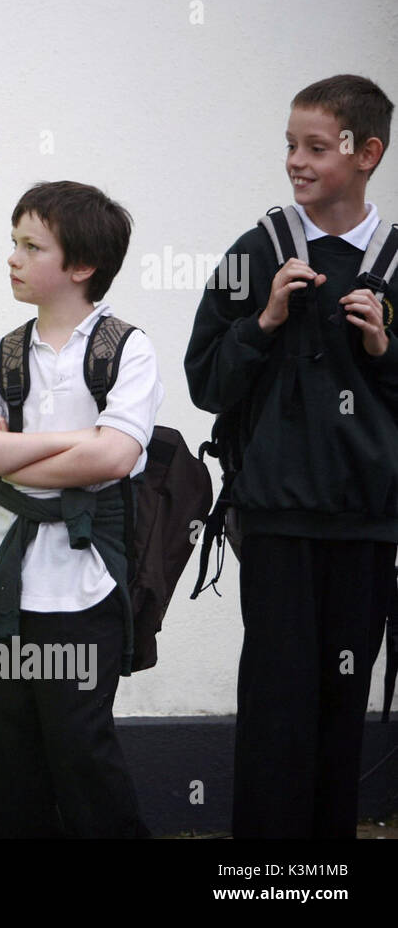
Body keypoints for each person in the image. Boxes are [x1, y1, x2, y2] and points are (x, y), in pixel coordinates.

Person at [185, 74, 395, 838]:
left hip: (369, 528)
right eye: (289, 146)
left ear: (366, 152)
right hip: (274, 524)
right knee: (276, 708)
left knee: (344, 710)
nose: (296, 162)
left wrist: (383, 349)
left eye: (316, 147)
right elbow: (205, 381)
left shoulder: (395, 264)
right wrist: (265, 319)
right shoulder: (259, 252)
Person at [0, 181, 161, 838]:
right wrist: (75, 442)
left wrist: (6, 447)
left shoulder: (127, 351)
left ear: (81, 266)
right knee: (1, 758)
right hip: (0, 583)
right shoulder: (4, 353)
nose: (12, 256)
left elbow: (115, 459)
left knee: (81, 752)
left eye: (31, 245)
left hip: (84, 589)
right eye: (14, 241)